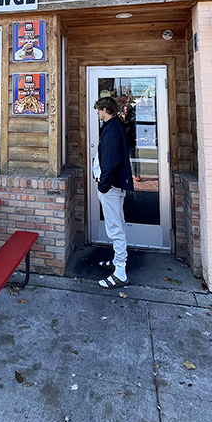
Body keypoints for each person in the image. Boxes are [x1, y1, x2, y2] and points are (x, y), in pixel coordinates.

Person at [93, 96, 134, 288]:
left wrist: (103, 186)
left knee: (115, 228)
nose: (98, 114)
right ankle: (118, 261)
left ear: (105, 109)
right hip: (114, 187)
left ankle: (120, 272)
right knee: (118, 224)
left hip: (110, 187)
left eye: (99, 110)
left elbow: (110, 163)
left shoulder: (111, 131)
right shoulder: (115, 127)